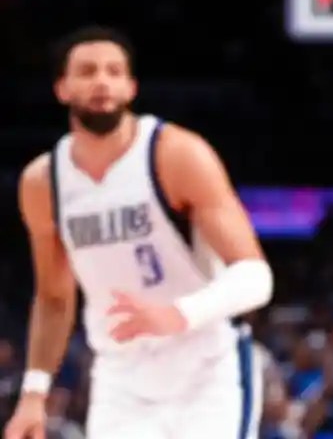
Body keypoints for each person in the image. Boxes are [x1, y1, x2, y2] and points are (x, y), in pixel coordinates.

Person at [4, 27, 274, 439]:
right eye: (87, 71)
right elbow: (55, 298)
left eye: (114, 72)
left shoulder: (176, 154)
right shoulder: (43, 182)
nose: (101, 81)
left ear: (131, 87)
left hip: (206, 373)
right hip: (121, 382)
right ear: (62, 88)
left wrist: (176, 314)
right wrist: (34, 393)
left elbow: (257, 277)